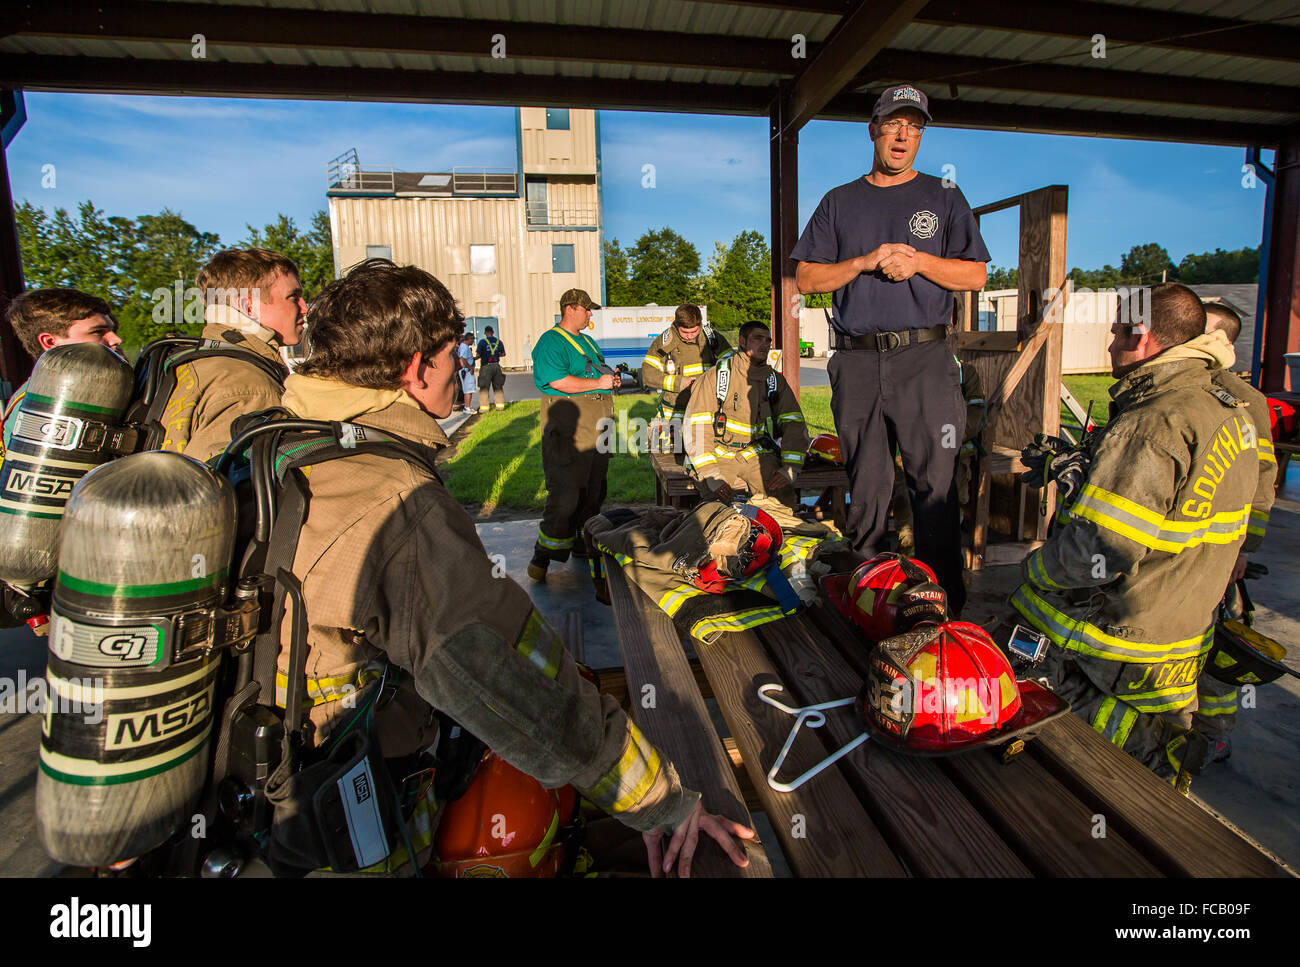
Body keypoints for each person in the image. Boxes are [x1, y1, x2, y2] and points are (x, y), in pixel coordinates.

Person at [279, 259, 752, 875]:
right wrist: (662, 802)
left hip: (273, 800)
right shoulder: (397, 504)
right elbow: (511, 681)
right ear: (417, 367)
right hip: (350, 808)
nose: (463, 371)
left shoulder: (275, 443)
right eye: (454, 356)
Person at [1007, 284, 1270, 786]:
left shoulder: (1153, 422)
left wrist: (1033, 568)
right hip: (1180, 632)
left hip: (1118, 639)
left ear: (1142, 335)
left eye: (1115, 335)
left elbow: (1098, 552)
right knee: (1159, 740)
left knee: (1010, 681)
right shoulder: (1228, 409)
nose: (1108, 347)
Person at [791, 83, 990, 616]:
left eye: (915, 127)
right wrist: (862, 261)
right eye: (894, 124)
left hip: (924, 359)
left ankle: (943, 605)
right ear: (873, 129)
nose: (903, 135)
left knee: (935, 486)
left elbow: (974, 274)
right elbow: (807, 278)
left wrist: (921, 261)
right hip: (856, 360)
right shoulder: (840, 201)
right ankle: (871, 598)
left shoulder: (945, 196)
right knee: (868, 484)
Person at [1191, 300, 1277, 763]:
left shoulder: (1246, 401)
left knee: (1216, 645)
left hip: (1222, 549)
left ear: (1222, 340)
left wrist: (1242, 547)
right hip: (1186, 544)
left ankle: (1214, 734)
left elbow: (1261, 480)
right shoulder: (1185, 386)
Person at [157, 247, 304, 461]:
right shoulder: (248, 386)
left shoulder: (195, 362)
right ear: (248, 307)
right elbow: (219, 486)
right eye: (293, 297)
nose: (305, 308)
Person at [527, 288, 618, 582]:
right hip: (570, 426)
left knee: (594, 491)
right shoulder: (551, 341)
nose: (590, 314)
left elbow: (595, 376)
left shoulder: (588, 342)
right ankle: (542, 556)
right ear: (570, 308)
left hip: (598, 423)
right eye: (587, 309)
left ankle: (582, 544)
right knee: (566, 493)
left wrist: (609, 379)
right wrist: (599, 383)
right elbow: (557, 381)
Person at [682, 320, 808, 507]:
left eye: (768, 341)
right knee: (717, 503)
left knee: (781, 498)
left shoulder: (774, 381)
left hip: (756, 454)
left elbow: (794, 424)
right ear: (742, 341)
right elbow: (696, 427)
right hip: (719, 454)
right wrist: (710, 474)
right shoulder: (717, 376)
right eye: (757, 338)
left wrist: (790, 469)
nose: (764, 345)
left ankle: (778, 534)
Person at [3, 287, 123, 456]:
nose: (116, 340)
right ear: (50, 341)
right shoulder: (44, 402)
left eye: (112, 331)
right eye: (98, 332)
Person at [641, 304, 731, 459]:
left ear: (700, 324)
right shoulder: (664, 342)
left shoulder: (713, 339)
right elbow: (647, 374)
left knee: (705, 455)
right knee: (667, 458)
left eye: (694, 331)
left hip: (706, 409)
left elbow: (731, 366)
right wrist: (680, 383)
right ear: (676, 325)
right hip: (673, 411)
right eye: (685, 332)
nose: (690, 336)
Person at [476, 325, 507, 412]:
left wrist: (474, 358)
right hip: (496, 366)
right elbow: (503, 354)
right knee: (498, 386)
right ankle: (500, 406)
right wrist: (496, 355)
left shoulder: (482, 342)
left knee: (484, 387)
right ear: (492, 332)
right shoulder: (498, 342)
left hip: (486, 366)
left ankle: (484, 408)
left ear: (485, 333)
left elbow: (478, 355)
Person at [455, 331, 475, 412]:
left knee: (468, 389)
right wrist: (470, 368)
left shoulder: (463, 346)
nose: (473, 341)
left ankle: (467, 407)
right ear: (469, 339)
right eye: (473, 339)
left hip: (466, 371)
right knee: (468, 390)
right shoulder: (464, 347)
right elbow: (462, 359)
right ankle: (467, 408)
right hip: (466, 371)